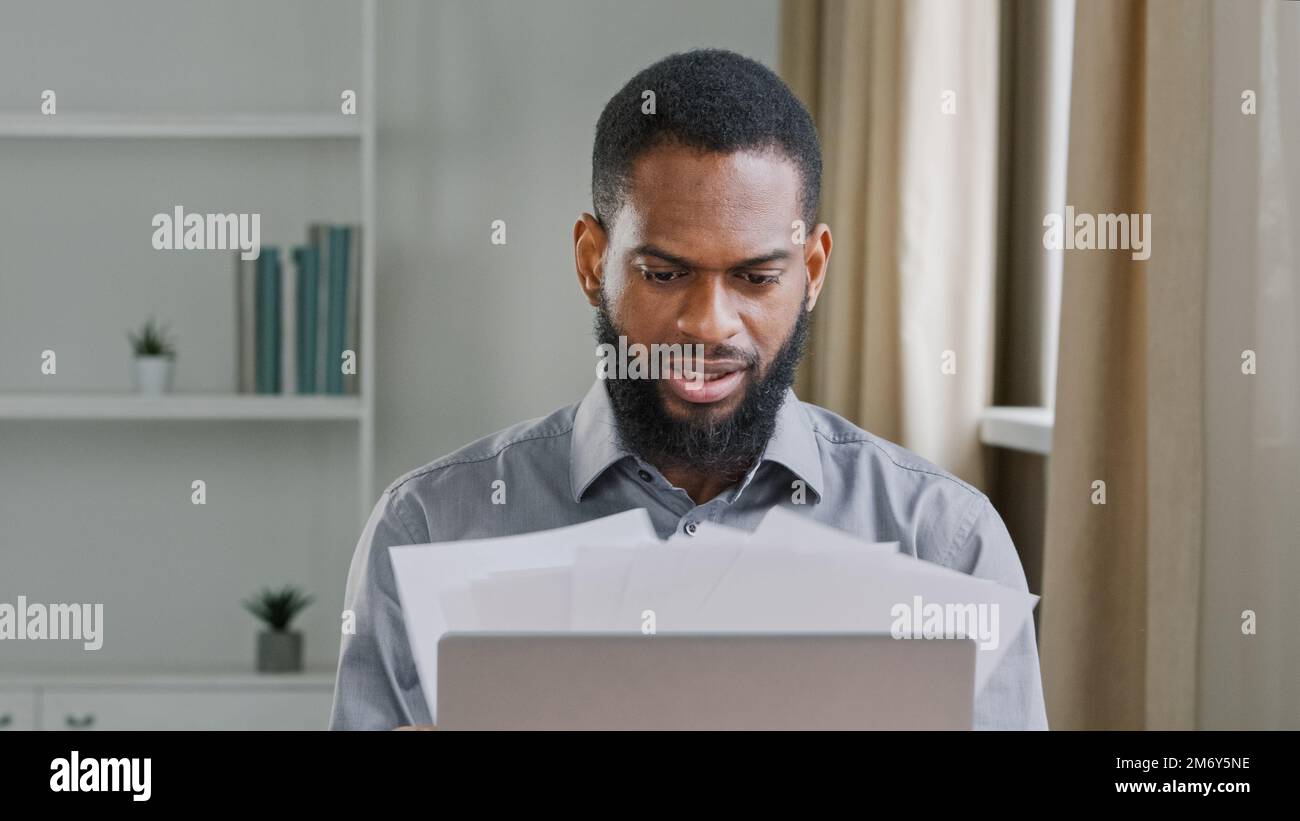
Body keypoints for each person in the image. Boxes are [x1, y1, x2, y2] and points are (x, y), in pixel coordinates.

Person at [330, 48, 1048, 731]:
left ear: (814, 270)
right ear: (592, 262)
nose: (709, 325)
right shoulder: (425, 527)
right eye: (666, 274)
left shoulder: (944, 542)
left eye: (756, 277)